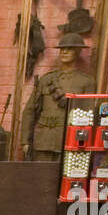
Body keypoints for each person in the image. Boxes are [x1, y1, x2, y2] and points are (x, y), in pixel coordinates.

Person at [20, 33, 95, 162]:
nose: (64, 52)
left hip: (68, 139)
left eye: (70, 49)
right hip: (44, 141)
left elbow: (89, 114)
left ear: (78, 52)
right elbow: (30, 110)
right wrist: (25, 140)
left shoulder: (86, 82)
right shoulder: (47, 80)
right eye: (62, 49)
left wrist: (83, 142)